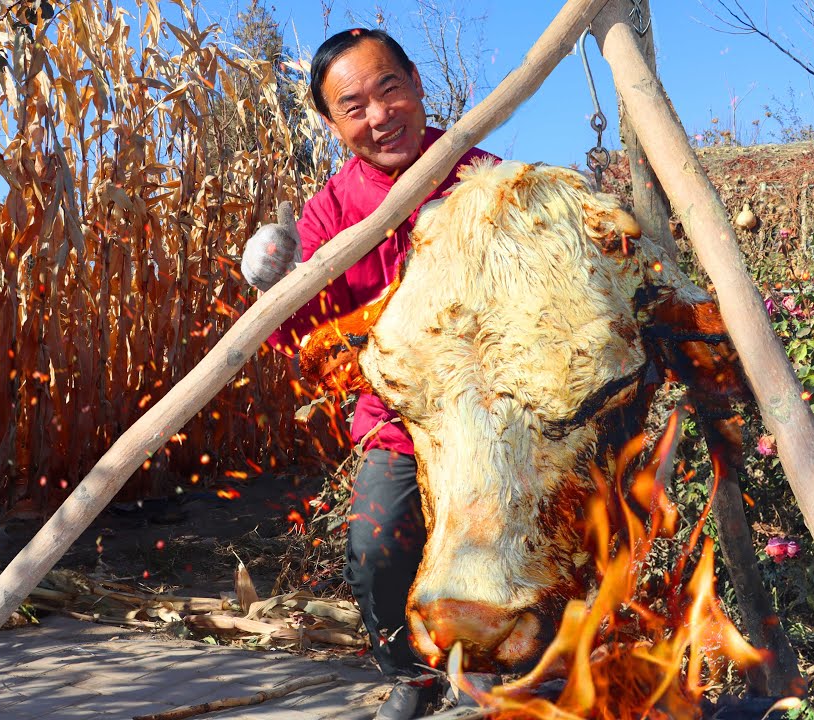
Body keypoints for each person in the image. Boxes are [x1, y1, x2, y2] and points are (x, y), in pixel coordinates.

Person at [240, 28, 498, 720]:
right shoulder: (328, 215)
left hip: (493, 414)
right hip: (393, 421)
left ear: (417, 83)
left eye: (390, 90)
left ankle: (484, 681)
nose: (380, 115)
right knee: (376, 545)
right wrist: (276, 285)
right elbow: (309, 334)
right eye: (354, 106)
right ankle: (410, 675)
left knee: (495, 546)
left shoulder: (484, 174)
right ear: (331, 124)